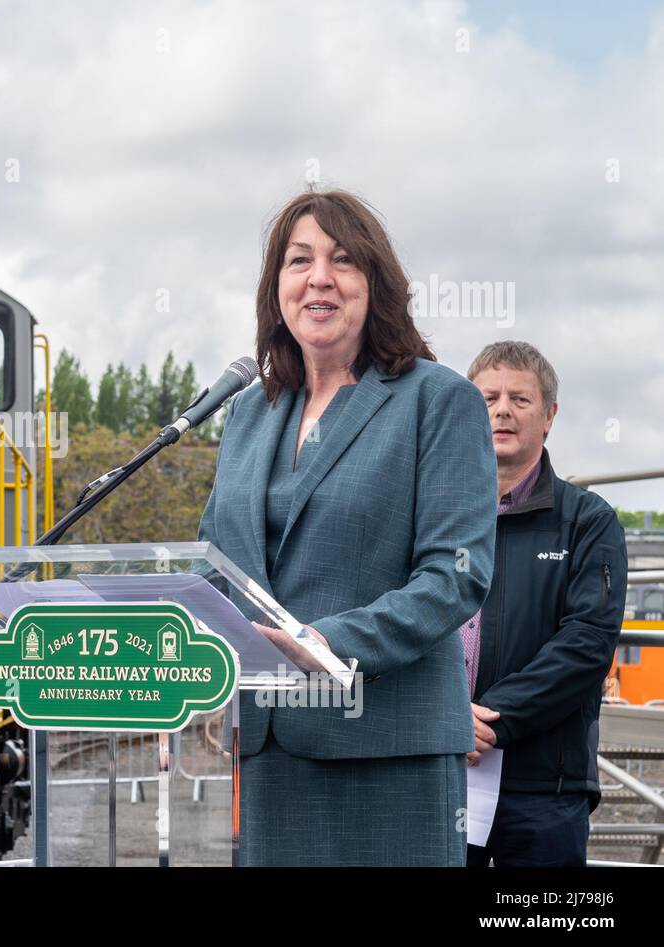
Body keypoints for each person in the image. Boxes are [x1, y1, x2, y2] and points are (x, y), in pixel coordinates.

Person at [199, 189, 496, 865]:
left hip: (390, 749)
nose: (319, 277)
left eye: (342, 260)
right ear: (277, 288)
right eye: (299, 260)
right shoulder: (248, 414)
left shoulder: (437, 400)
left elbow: (457, 574)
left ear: (377, 284)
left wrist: (326, 644)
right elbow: (215, 564)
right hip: (270, 747)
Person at [464, 341, 627, 867]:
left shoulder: (587, 521)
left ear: (550, 416)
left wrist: (490, 721)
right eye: (487, 397)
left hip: (543, 788)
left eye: (520, 399)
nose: (502, 410)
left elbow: (586, 645)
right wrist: (440, 720)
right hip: (437, 771)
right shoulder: (433, 515)